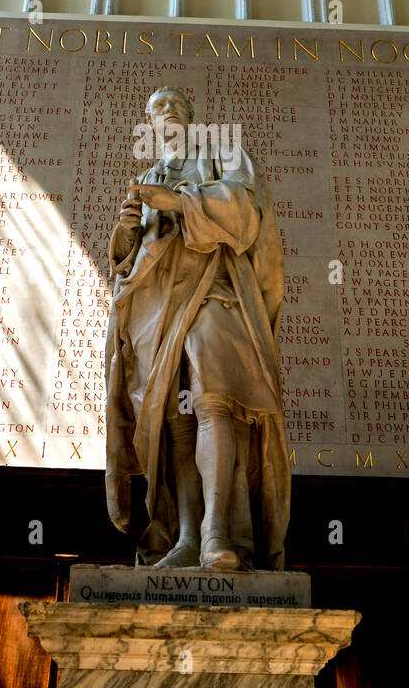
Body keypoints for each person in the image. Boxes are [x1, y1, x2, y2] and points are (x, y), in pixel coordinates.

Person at [104, 86, 290, 570]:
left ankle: (218, 533)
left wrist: (180, 200)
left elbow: (245, 211)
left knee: (214, 402)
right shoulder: (148, 175)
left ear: (191, 115)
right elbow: (128, 265)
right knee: (175, 421)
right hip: (156, 308)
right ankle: (187, 535)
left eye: (172, 105)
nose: (163, 112)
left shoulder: (221, 153)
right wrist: (126, 234)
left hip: (213, 290)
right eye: (155, 108)